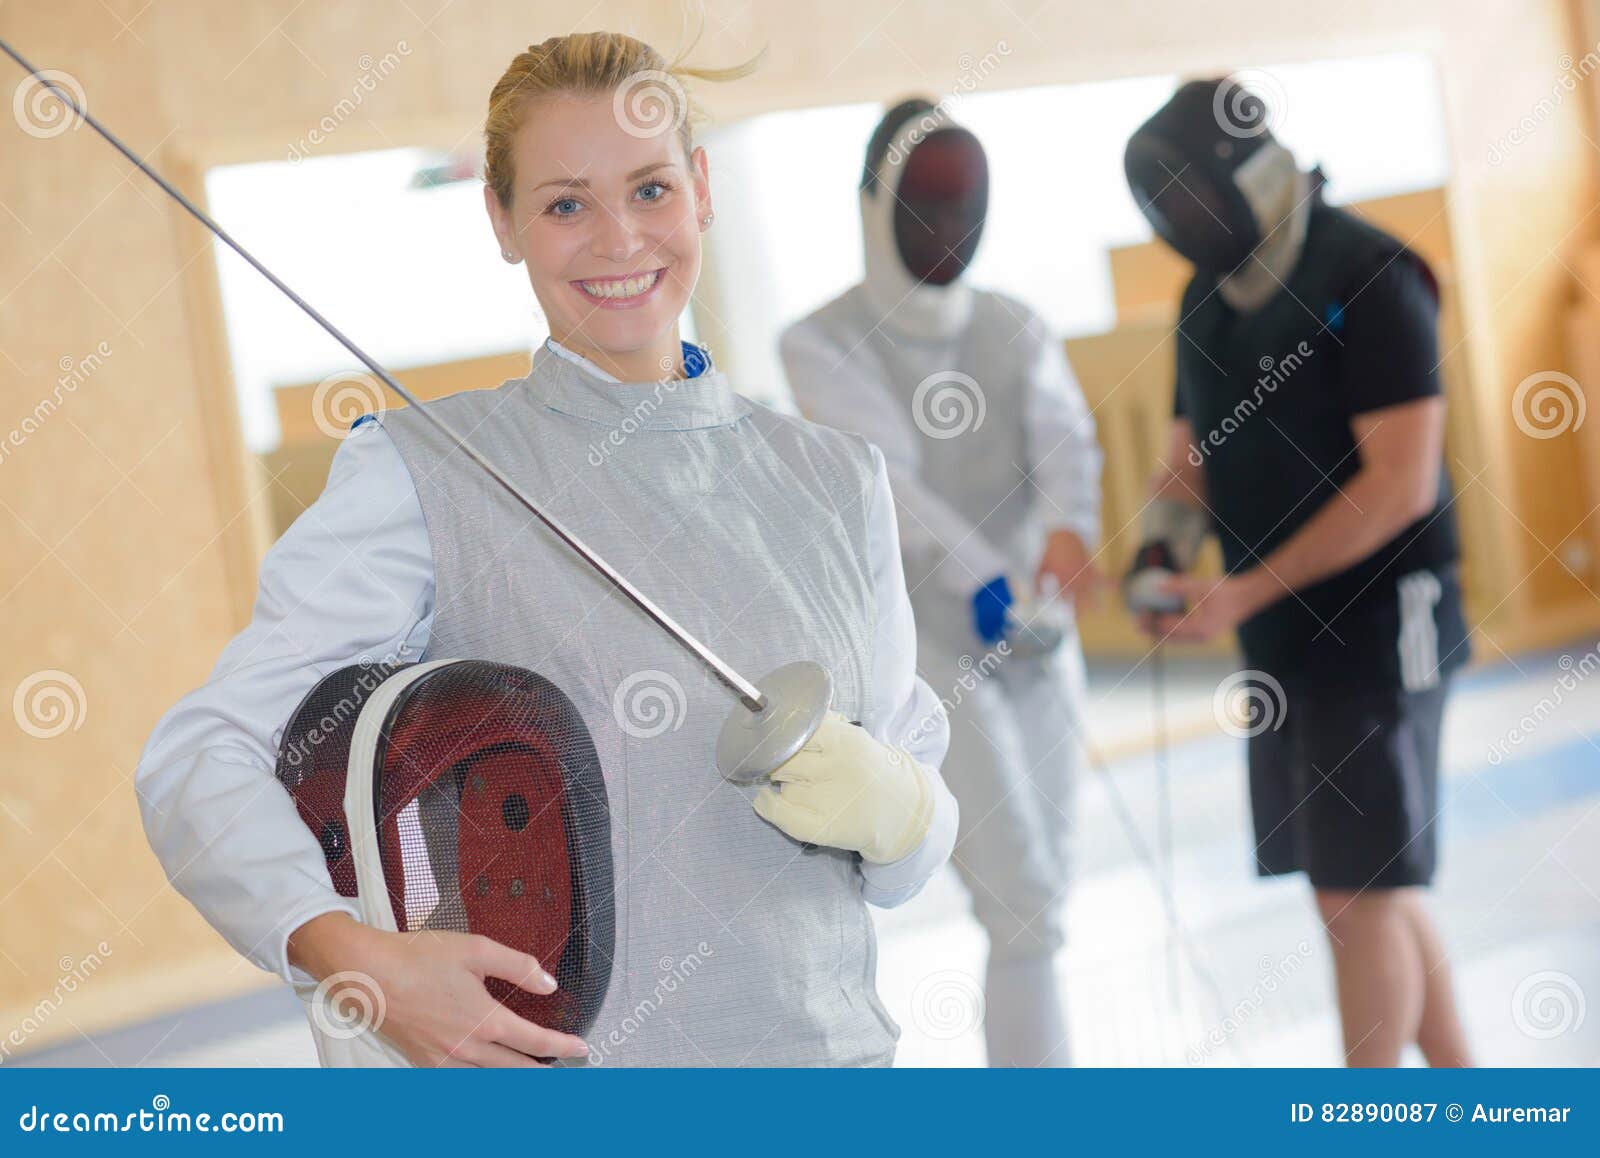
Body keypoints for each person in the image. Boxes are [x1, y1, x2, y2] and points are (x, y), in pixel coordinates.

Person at [135, 32, 960, 1069]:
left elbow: (907, 822)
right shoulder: (424, 471)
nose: (619, 239)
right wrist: (357, 964)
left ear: (701, 189)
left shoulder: (838, 481)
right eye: (566, 203)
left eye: (651, 188)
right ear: (502, 220)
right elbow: (199, 758)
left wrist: (908, 808)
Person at [1122, 77, 1472, 1067]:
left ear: (1250, 175)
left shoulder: (1370, 273)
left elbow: (1401, 482)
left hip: (1380, 626)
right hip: (1280, 634)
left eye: (1194, 196)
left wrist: (1244, 589)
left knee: (1355, 894)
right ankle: (1471, 1096)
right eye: (1166, 207)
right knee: (1366, 888)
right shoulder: (1205, 299)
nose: (1183, 223)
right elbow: (1188, 460)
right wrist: (1159, 552)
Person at [781, 99, 1104, 1067]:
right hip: (932, 657)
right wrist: (988, 578)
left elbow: (1066, 448)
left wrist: (1065, 540)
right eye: (926, 205)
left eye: (962, 205)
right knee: (1020, 901)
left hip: (1040, 638)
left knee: (1043, 904)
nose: (946, 227)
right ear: (875, 206)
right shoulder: (822, 339)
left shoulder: (1014, 325)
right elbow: (894, 483)